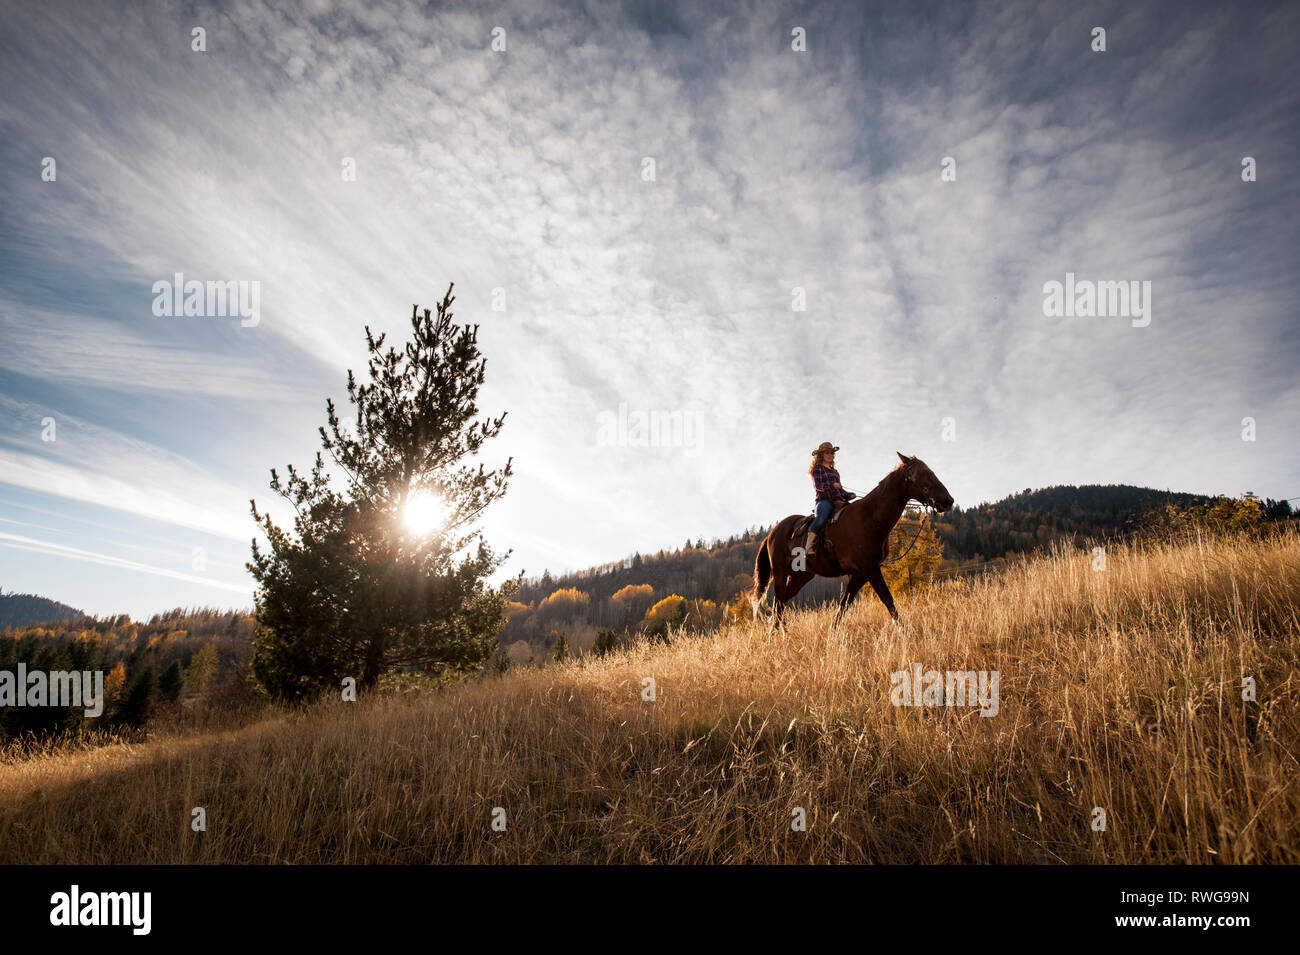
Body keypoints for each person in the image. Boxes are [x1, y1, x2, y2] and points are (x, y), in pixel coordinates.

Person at [806, 441, 854, 556]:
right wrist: (832, 486)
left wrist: (848, 495)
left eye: (831, 453)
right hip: (823, 500)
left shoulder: (835, 472)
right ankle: (808, 545)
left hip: (838, 500)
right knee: (821, 518)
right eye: (827, 453)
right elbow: (819, 487)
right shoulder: (817, 469)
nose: (830, 455)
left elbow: (840, 490)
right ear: (821, 455)